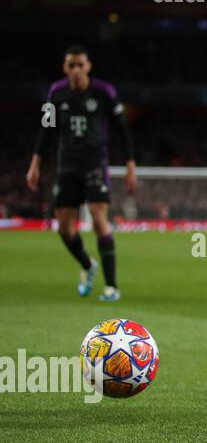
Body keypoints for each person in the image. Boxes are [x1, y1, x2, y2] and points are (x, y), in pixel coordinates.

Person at [26, 44, 136, 302]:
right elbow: (46, 130)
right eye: (71, 65)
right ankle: (88, 265)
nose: (76, 70)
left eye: (80, 65)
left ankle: (111, 287)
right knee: (64, 228)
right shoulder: (56, 93)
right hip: (67, 166)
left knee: (99, 220)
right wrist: (35, 163)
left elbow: (123, 129)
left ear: (88, 66)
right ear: (65, 68)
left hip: (95, 164)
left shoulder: (103, 92)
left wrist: (130, 164)